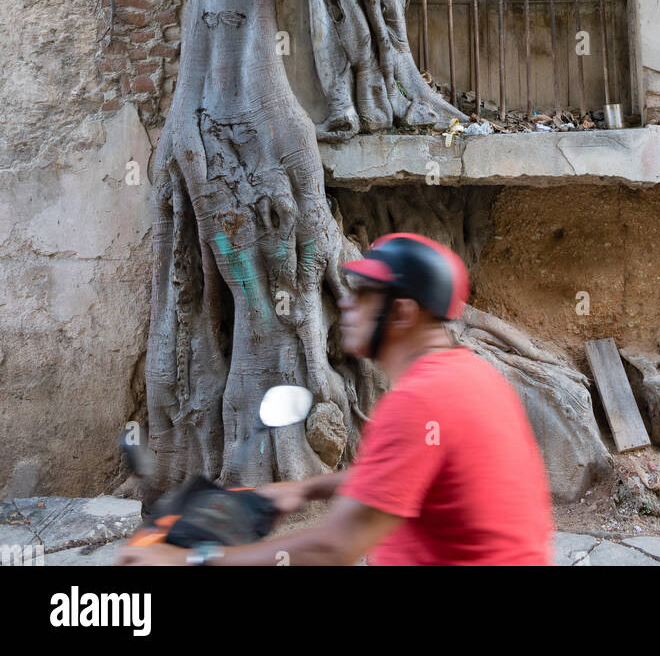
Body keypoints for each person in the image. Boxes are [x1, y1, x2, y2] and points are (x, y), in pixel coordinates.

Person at [118, 232, 553, 567]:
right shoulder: (472, 376)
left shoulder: (422, 400)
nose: (346, 305)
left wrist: (191, 559)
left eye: (364, 294)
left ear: (401, 312)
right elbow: (400, 478)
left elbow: (335, 546)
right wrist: (306, 487)